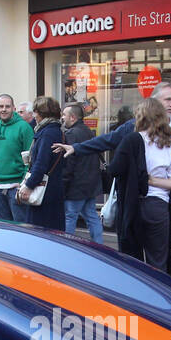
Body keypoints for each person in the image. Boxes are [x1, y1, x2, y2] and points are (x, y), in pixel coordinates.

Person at [56, 82, 171, 271]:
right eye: (167, 99)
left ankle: (160, 291)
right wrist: (77, 148)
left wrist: (162, 178)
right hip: (134, 200)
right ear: (155, 102)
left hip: (165, 202)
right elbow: (106, 140)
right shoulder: (132, 129)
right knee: (136, 255)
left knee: (163, 254)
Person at [99, 97, 171, 268]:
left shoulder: (131, 140)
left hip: (132, 204)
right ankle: (159, 292)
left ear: (141, 116)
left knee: (132, 262)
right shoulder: (169, 146)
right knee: (158, 260)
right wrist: (153, 181)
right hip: (158, 206)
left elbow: (115, 169)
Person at [17, 96, 66, 229]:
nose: (34, 116)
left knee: (40, 232)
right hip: (54, 188)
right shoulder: (57, 131)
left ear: (43, 113)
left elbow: (41, 164)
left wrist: (28, 186)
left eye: (36, 112)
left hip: (45, 192)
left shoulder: (47, 133)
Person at [0, 94, 34, 222]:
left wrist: (24, 181)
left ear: (13, 108)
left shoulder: (24, 127)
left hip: (16, 187)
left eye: (7, 106)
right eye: (1, 106)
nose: (4, 109)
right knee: (2, 229)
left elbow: (30, 157)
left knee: (21, 229)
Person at [60, 102, 104, 243]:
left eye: (64, 115)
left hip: (76, 185)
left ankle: (68, 247)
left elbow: (70, 162)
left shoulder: (71, 134)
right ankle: (100, 246)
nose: (62, 118)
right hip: (90, 184)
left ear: (72, 117)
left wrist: (64, 183)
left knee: (70, 216)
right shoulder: (88, 131)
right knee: (91, 216)